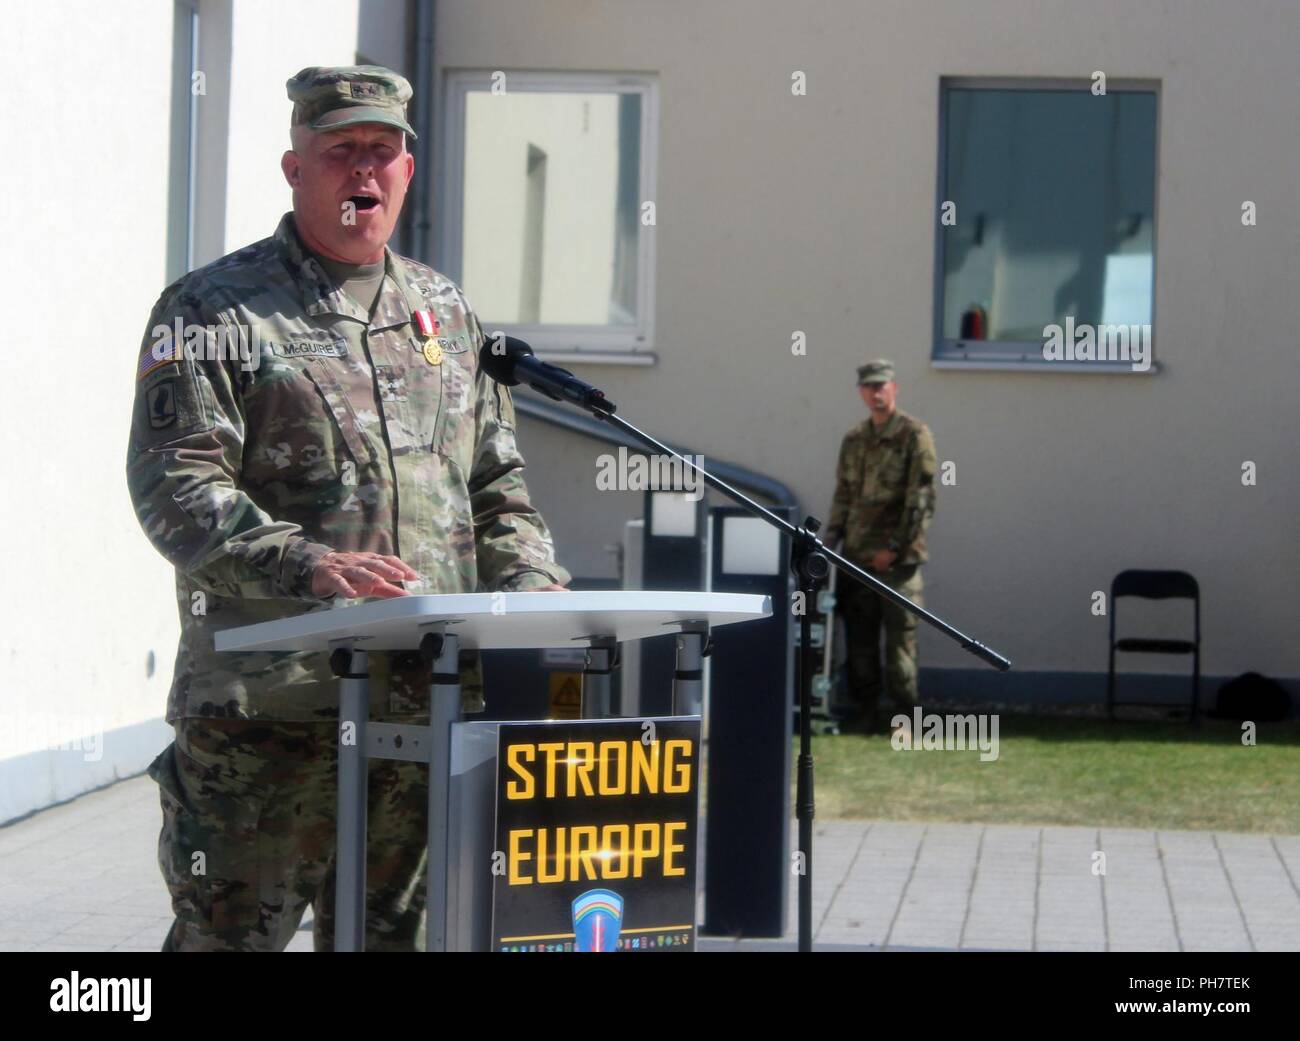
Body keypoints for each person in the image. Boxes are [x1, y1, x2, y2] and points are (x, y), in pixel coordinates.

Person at [126, 65, 571, 951]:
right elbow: (177, 485)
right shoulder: (212, 310)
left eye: (382, 151)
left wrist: (535, 585)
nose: (363, 171)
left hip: (422, 707)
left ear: (409, 169)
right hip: (269, 713)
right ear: (295, 170)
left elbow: (496, 487)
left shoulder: (443, 313)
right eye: (340, 152)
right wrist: (307, 564)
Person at [824, 360, 936, 733]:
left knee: (900, 644)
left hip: (897, 563)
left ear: (894, 387)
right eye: (868, 387)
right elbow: (843, 496)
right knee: (861, 642)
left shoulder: (913, 435)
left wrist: (895, 548)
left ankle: (907, 717)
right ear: (860, 392)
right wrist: (828, 545)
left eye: (881, 386)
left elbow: (920, 500)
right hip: (857, 559)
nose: (875, 393)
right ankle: (867, 712)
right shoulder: (854, 440)